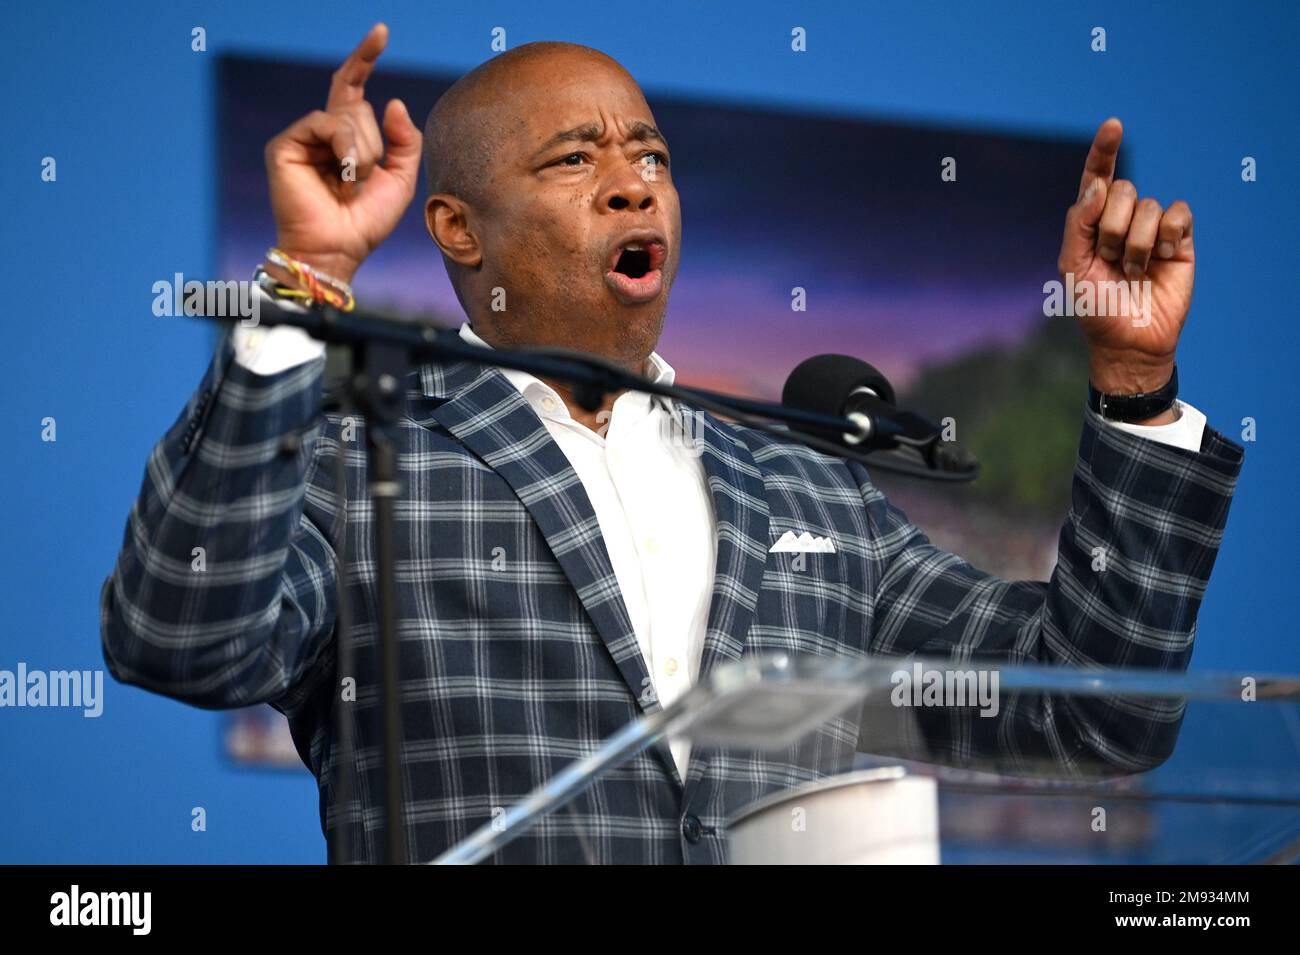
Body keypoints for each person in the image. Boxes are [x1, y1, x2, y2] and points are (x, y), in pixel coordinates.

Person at [100, 24, 1244, 863]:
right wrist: (306, 285)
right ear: (457, 229)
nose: (631, 185)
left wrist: (1134, 386)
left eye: (649, 155)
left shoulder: (804, 487)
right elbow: (178, 639)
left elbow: (1088, 713)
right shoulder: (366, 464)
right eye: (574, 159)